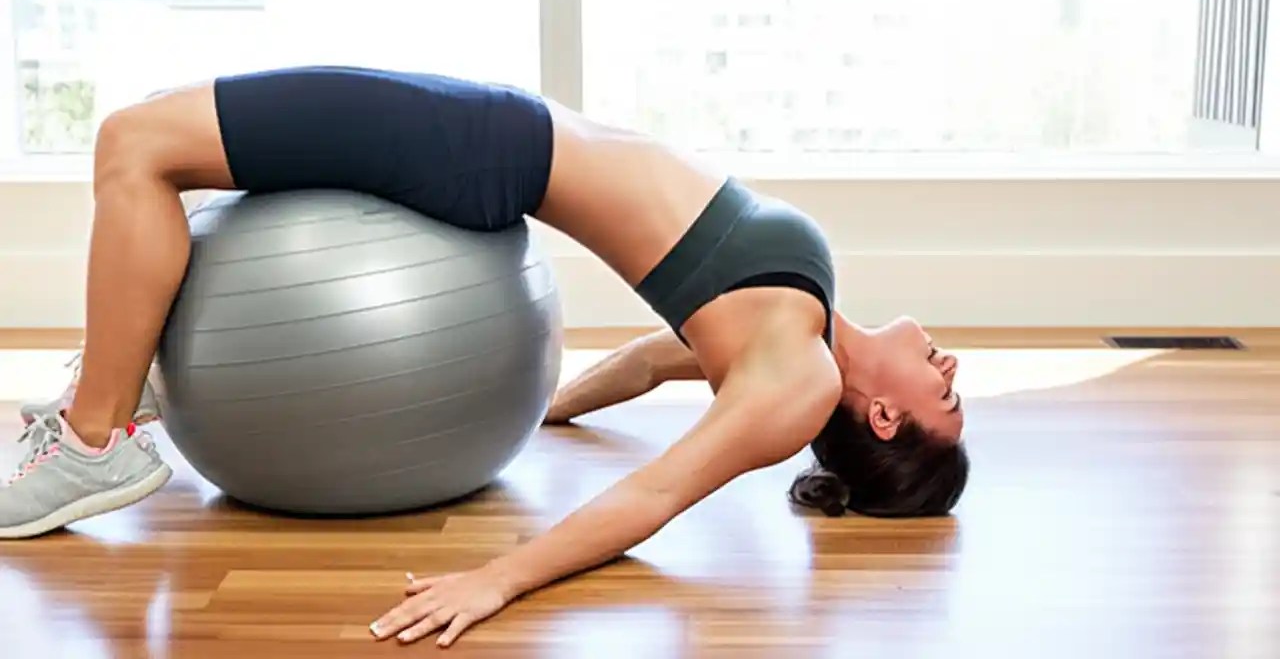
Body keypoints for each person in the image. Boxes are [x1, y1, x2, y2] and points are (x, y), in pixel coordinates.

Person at [0, 66, 967, 646]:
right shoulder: (801, 329)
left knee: (135, 142)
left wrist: (498, 579)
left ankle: (95, 440)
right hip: (495, 134)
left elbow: (654, 495)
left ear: (885, 419)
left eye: (945, 399)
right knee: (150, 124)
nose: (951, 371)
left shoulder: (800, 380)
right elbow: (646, 365)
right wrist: (545, 409)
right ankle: (119, 386)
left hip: (481, 150)